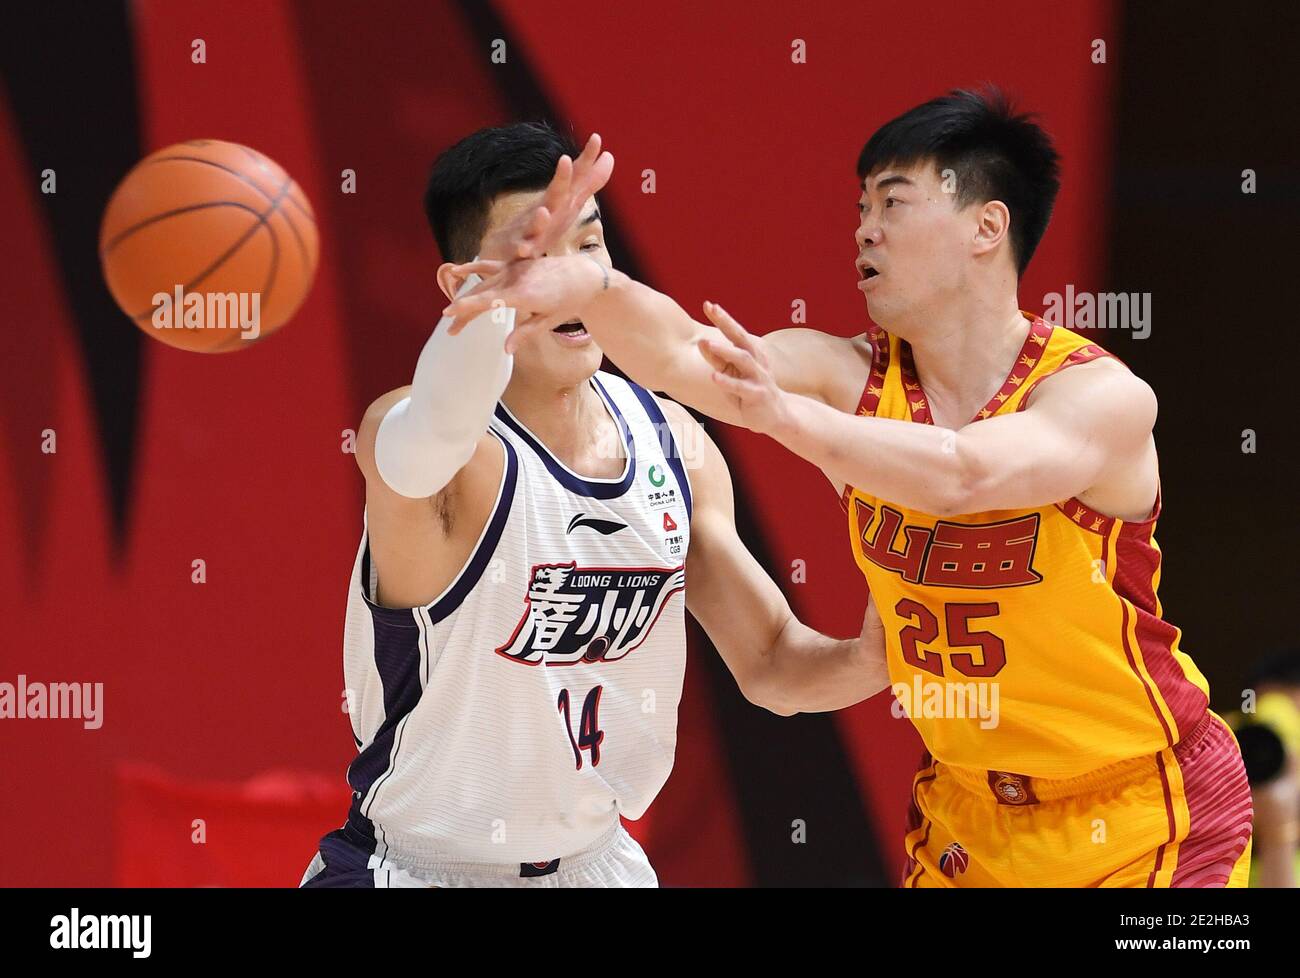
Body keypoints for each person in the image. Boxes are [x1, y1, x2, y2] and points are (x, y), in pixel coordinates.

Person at [445, 90, 1253, 887]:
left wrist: (782, 417)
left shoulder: (1098, 395)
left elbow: (964, 475)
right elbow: (688, 356)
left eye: (894, 202)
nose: (865, 226)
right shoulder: (843, 374)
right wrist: (591, 285)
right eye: (861, 204)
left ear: (987, 226)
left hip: (1148, 810)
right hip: (970, 818)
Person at [299, 122, 888, 889]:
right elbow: (438, 421)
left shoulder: (675, 442)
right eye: (530, 255)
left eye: (587, 244)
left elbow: (774, 662)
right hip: (413, 870)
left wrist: (878, 658)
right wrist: (493, 305)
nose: (566, 277)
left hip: (594, 867)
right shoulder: (428, 443)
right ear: (462, 286)